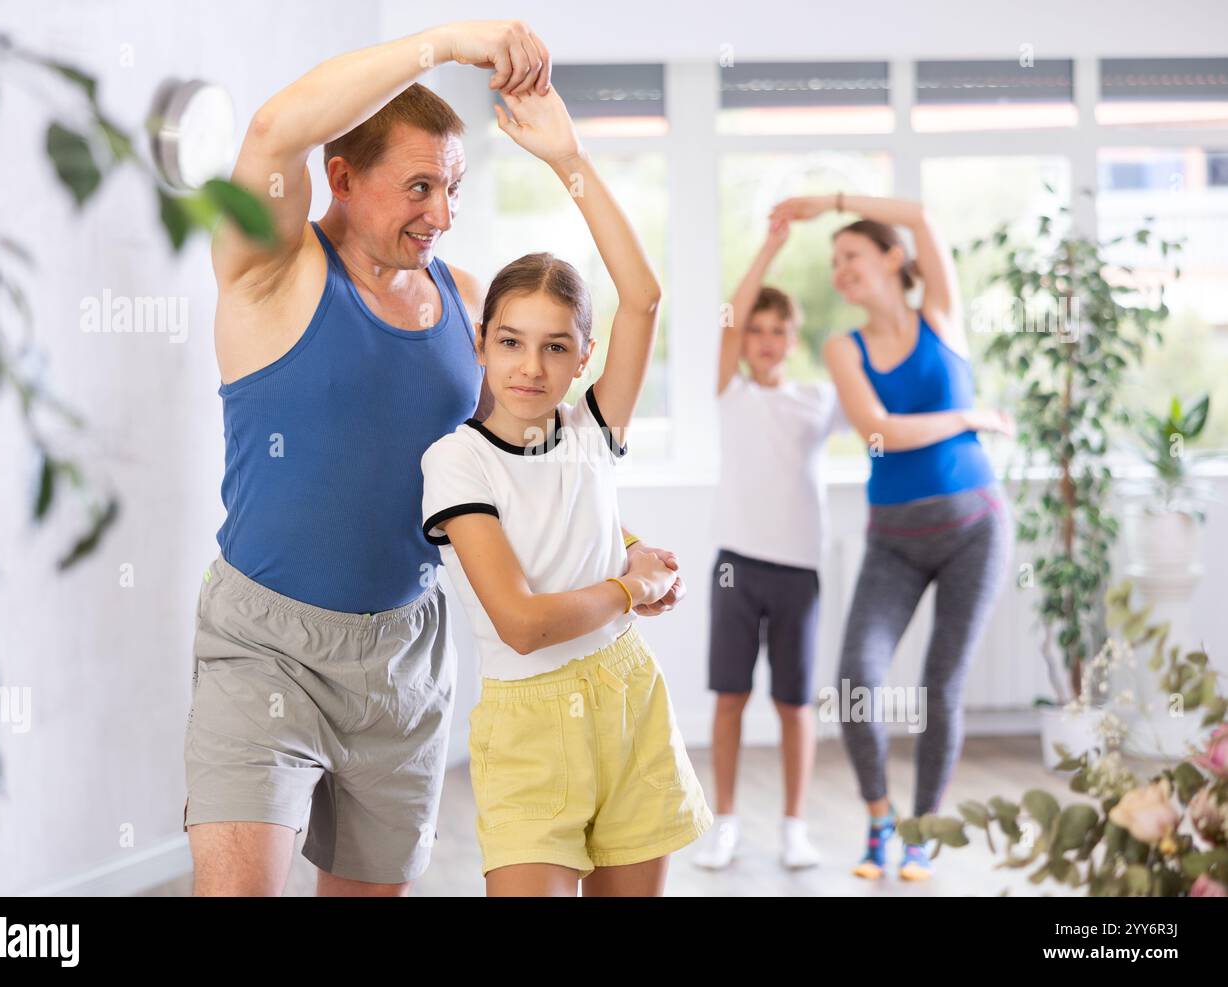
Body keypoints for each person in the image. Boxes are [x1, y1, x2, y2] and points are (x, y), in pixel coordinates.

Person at [183, 20, 684, 897]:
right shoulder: (272, 267)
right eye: (420, 186)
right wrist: (451, 42)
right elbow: (272, 131)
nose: (443, 214)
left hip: (406, 655)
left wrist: (627, 547)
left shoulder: (466, 303)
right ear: (341, 179)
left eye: (451, 187)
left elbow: (543, 463)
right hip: (265, 646)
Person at [420, 83, 713, 897]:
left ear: (583, 356)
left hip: (628, 701)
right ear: (480, 344)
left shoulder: (591, 429)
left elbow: (644, 297)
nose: (530, 366)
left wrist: (568, 161)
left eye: (556, 347)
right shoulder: (455, 462)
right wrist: (632, 583)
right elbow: (520, 624)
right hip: (527, 728)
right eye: (510, 341)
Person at [771, 192, 1013, 881]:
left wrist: (836, 201)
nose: (840, 268)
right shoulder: (842, 346)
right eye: (834, 259)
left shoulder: (942, 317)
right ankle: (880, 817)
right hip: (896, 540)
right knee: (856, 679)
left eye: (851, 254)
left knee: (943, 683)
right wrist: (969, 416)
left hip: (975, 529)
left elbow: (923, 215)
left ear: (891, 258)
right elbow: (878, 430)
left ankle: (921, 829)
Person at [694, 215, 846, 872]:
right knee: (730, 697)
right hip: (737, 565)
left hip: (799, 573)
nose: (762, 338)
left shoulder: (819, 400)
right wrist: (772, 244)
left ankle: (794, 826)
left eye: (776, 329)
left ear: (792, 338)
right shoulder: (731, 392)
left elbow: (881, 408)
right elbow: (728, 319)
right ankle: (724, 822)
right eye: (755, 328)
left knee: (793, 703)